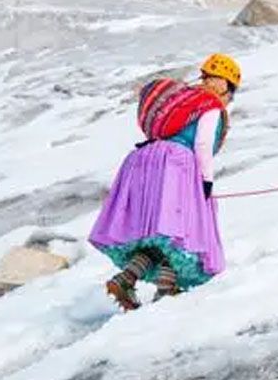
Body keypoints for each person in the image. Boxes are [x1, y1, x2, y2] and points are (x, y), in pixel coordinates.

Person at [89, 53, 241, 310]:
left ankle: (126, 279)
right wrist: (206, 182)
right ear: (224, 84)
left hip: (145, 160)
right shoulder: (210, 105)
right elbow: (202, 143)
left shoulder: (183, 101)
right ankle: (166, 289)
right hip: (177, 165)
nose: (229, 99)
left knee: (156, 234)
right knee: (180, 232)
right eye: (231, 92)